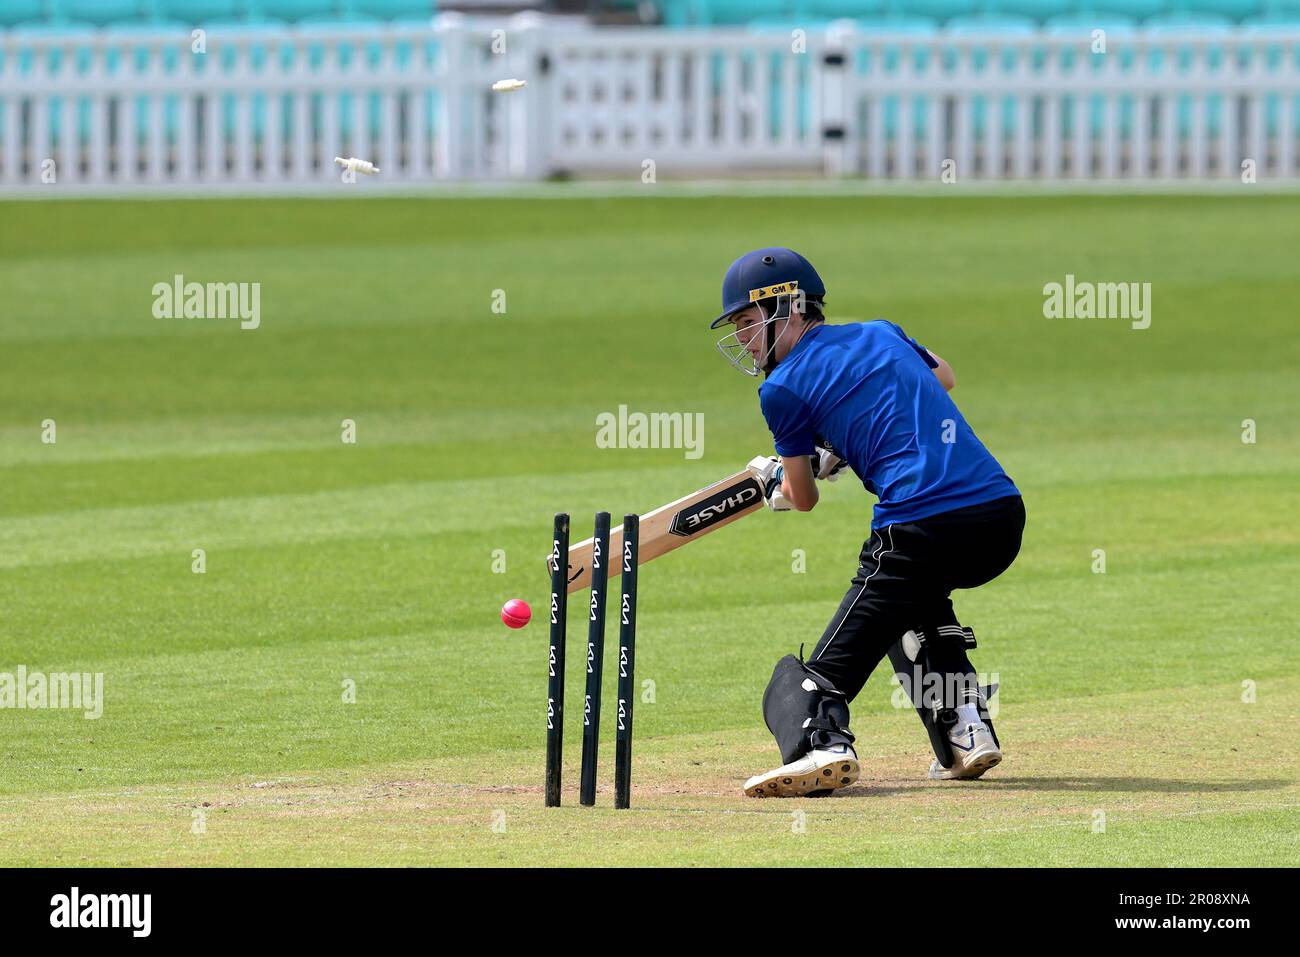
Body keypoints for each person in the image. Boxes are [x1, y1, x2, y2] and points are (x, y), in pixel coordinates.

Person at [710, 248, 1026, 797]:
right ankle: (965, 729)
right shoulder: (882, 331)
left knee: (806, 677)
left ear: (788, 308)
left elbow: (803, 498)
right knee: (913, 607)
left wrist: (778, 488)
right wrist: (847, 444)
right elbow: (943, 377)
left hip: (919, 527)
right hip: (999, 518)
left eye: (746, 321)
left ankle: (821, 744)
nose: (741, 336)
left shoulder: (780, 389)